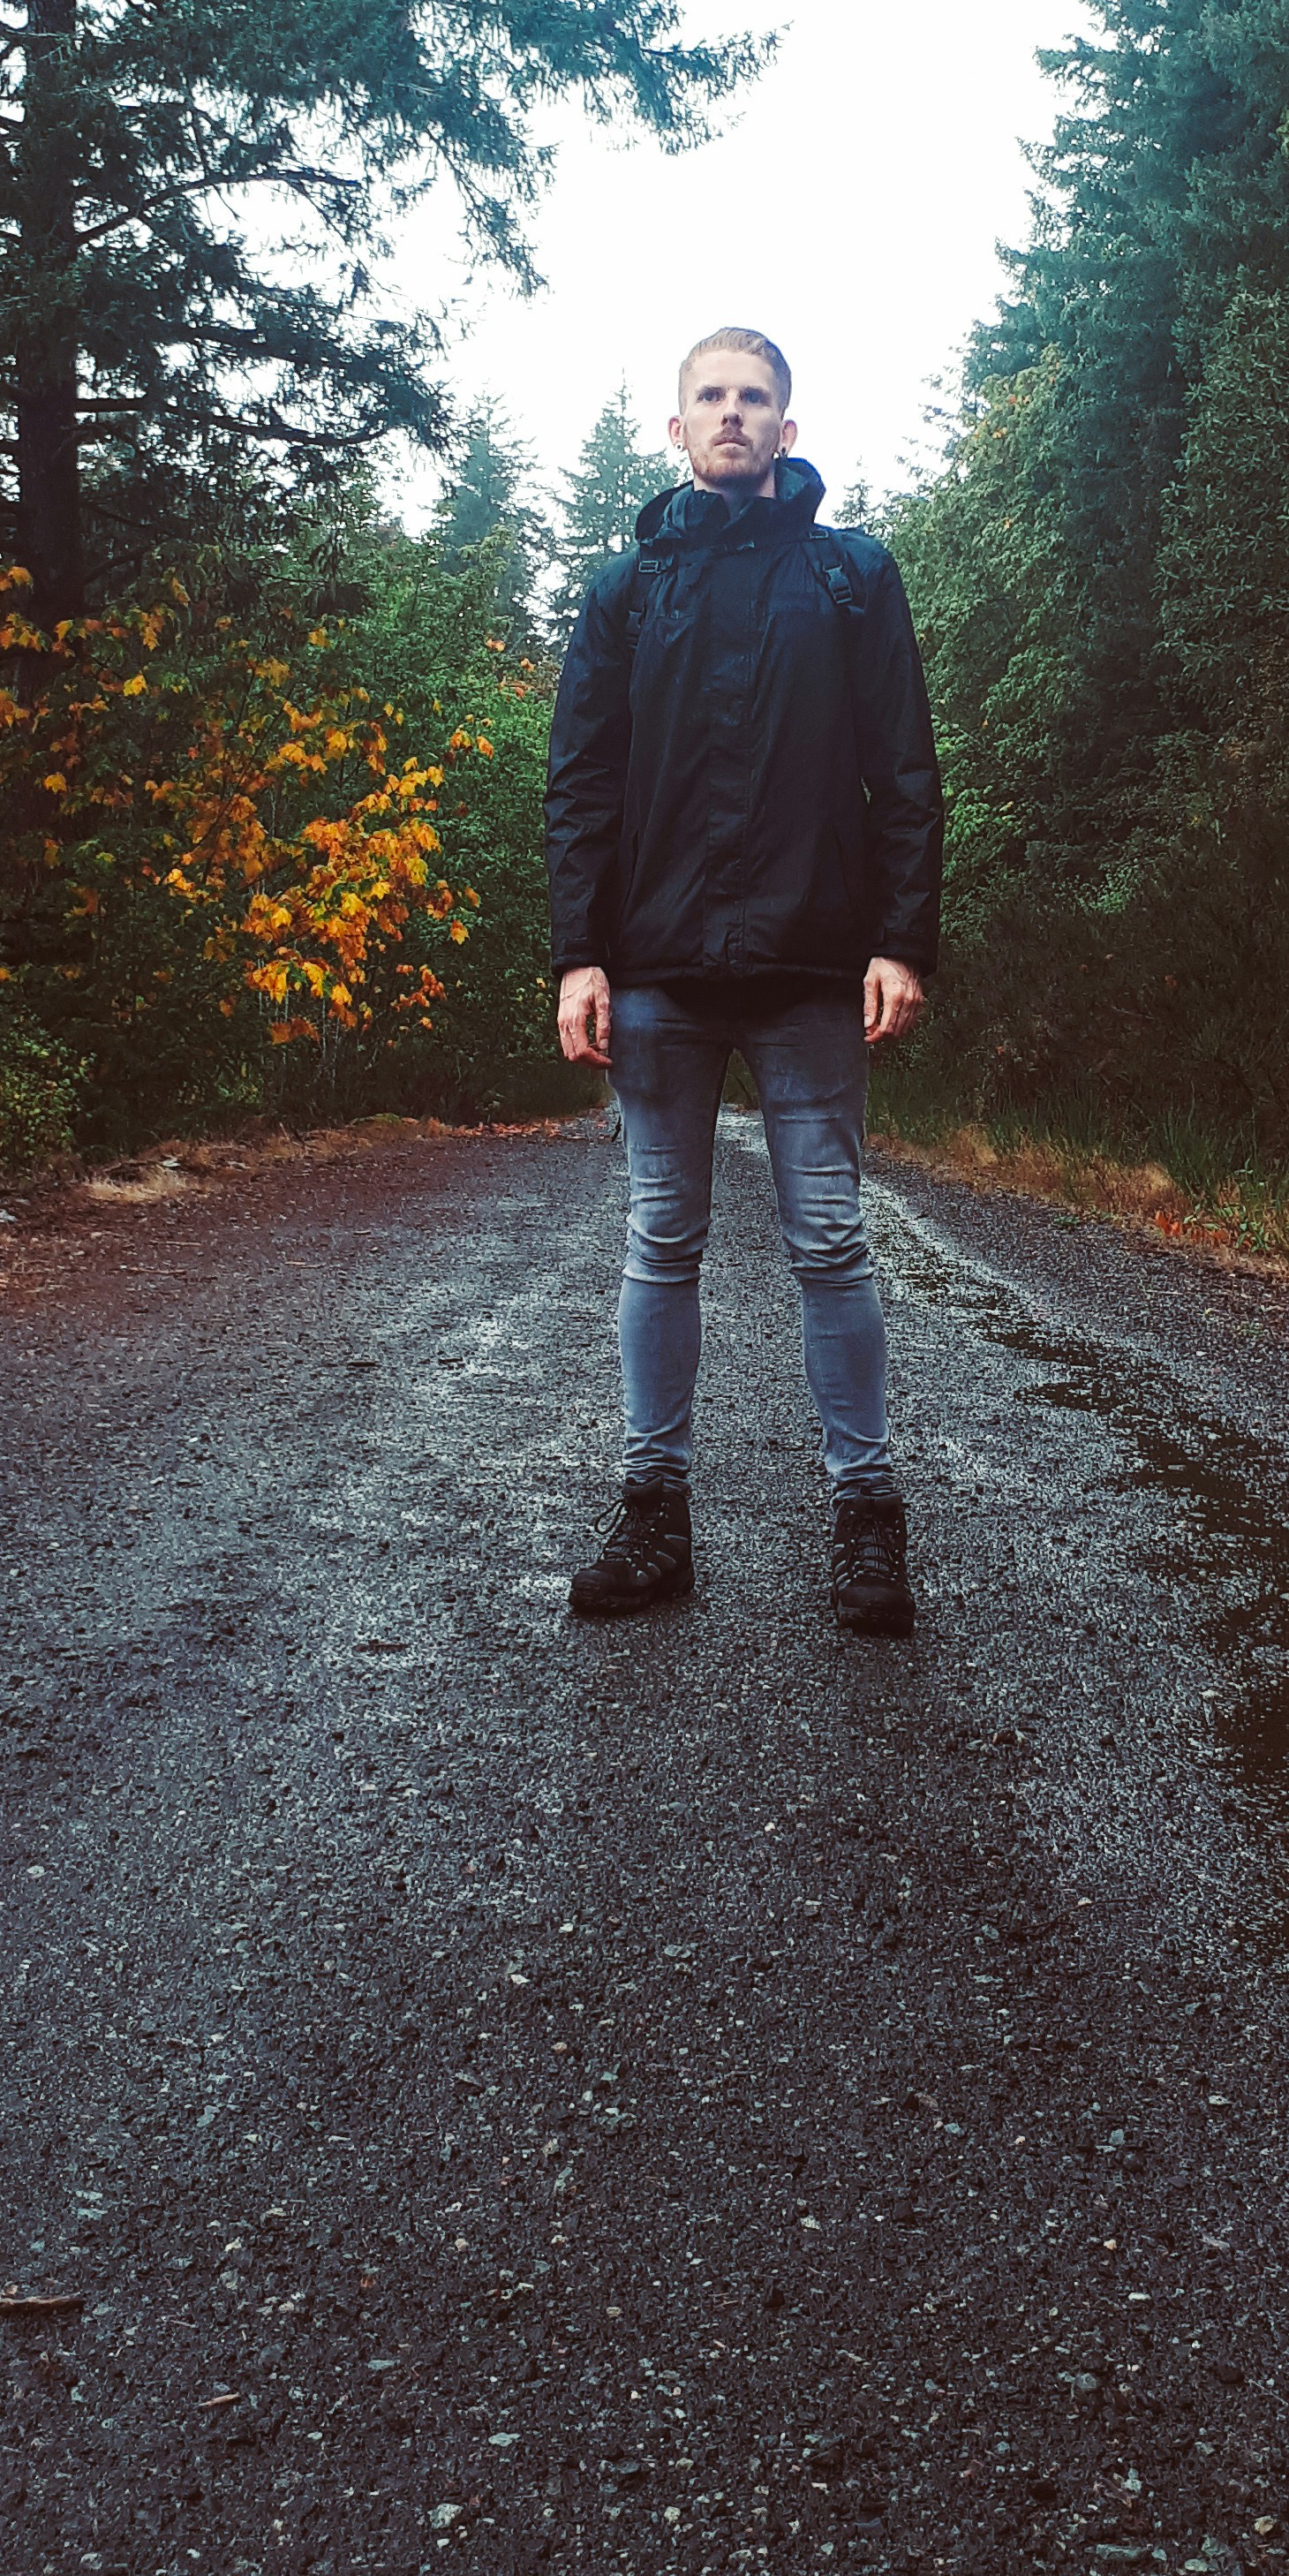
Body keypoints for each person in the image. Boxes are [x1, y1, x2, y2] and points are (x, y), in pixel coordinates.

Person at [545, 325, 944, 1635]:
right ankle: (654, 1517)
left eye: (753, 398)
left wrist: (900, 940)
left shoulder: (850, 580)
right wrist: (579, 955)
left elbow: (906, 771)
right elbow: (582, 789)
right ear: (678, 428)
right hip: (656, 970)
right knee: (663, 1238)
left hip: (811, 966)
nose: (731, 415)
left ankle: (867, 1526)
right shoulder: (623, 591)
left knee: (829, 1238)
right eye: (709, 397)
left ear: (786, 424)